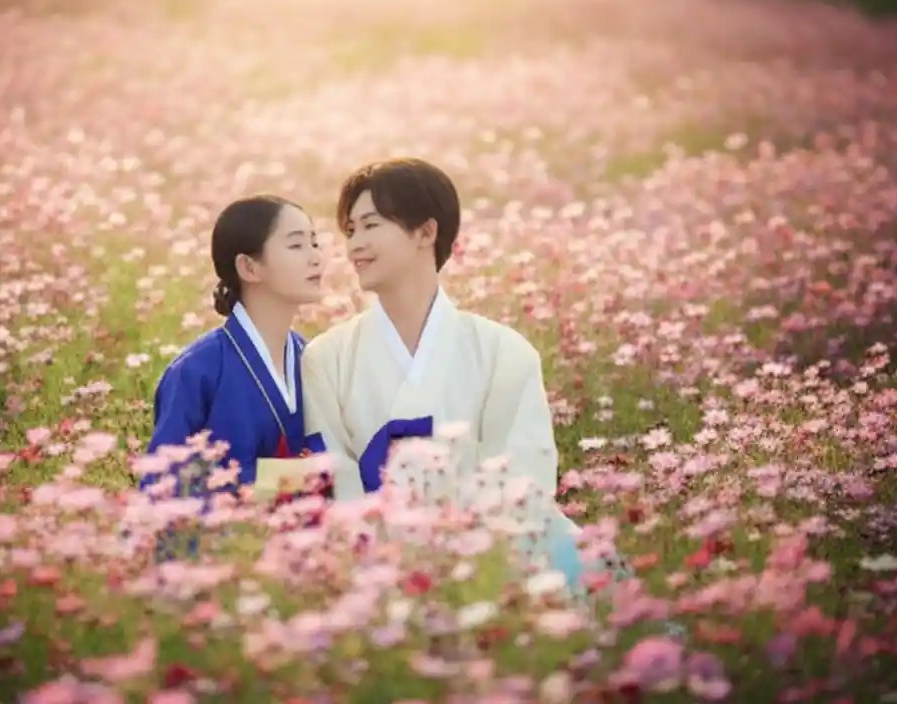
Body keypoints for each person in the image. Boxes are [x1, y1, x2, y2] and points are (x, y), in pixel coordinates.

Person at [301, 158, 607, 589]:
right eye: (350, 231)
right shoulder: (325, 357)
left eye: (370, 225)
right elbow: (337, 479)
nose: (354, 246)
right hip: (376, 568)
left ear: (426, 232)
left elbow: (524, 480)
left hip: (494, 561)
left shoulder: (504, 351)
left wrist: (455, 548)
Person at [143, 194, 327, 501]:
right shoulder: (197, 370)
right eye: (296, 245)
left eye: (314, 243)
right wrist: (289, 479)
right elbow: (163, 488)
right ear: (249, 267)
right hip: (228, 544)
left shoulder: (313, 361)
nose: (315, 257)